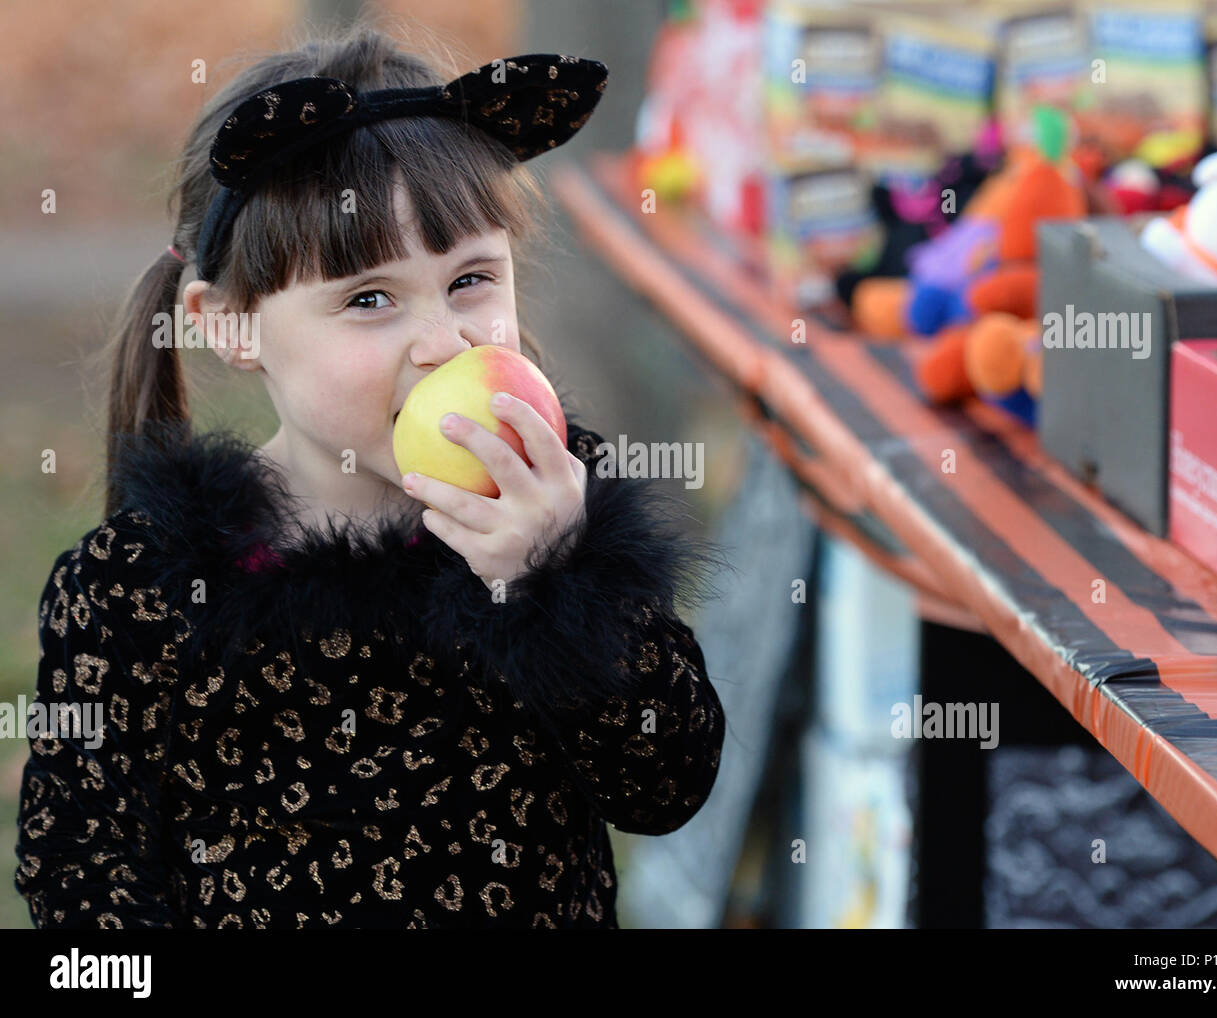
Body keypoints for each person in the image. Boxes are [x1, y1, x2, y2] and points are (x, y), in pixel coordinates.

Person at [13, 24, 727, 929]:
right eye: (369, 299)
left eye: (471, 279)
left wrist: (556, 583)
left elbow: (667, 784)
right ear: (231, 324)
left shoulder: (558, 513)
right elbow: (80, 882)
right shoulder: (138, 588)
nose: (444, 343)